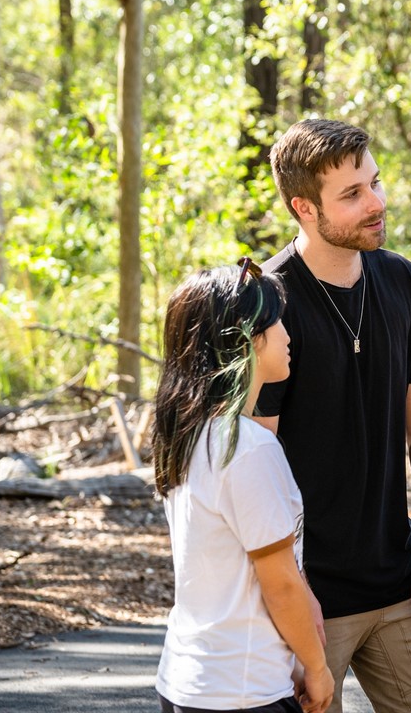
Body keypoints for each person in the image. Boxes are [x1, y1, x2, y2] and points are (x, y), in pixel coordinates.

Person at [254, 118, 411, 713]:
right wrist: (291, 596)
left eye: (374, 182)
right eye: (352, 194)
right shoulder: (269, 303)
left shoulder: (399, 279)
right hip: (309, 601)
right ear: (304, 208)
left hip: (400, 587)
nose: (377, 202)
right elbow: (255, 464)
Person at [152, 261, 334, 713]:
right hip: (241, 693)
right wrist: (316, 667)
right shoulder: (247, 447)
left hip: (188, 680)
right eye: (276, 324)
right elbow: (281, 584)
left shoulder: (190, 436)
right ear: (246, 339)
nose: (288, 336)